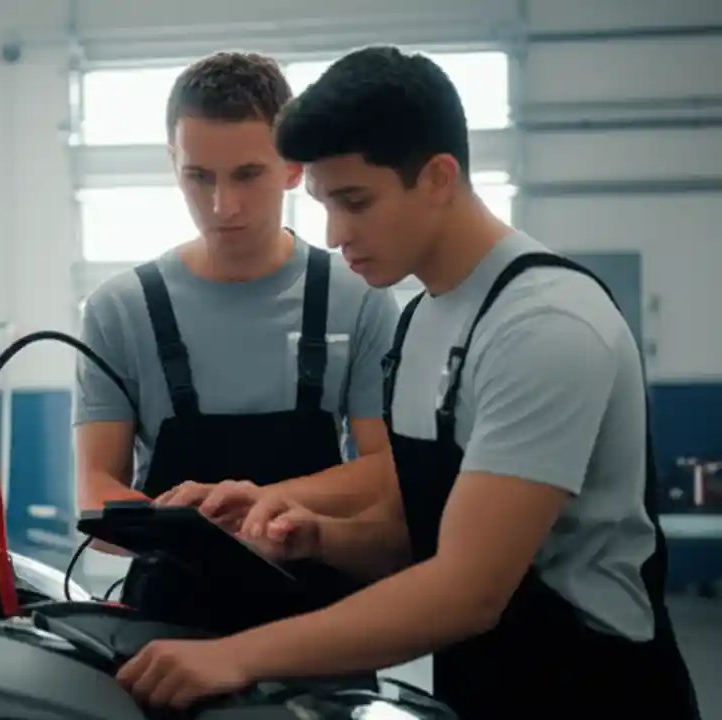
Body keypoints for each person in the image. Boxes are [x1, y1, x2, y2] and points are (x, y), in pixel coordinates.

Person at [115, 46, 700, 719]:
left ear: (438, 177)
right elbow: (416, 537)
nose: (333, 234)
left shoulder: (546, 327)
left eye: (356, 202)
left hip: (596, 695)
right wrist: (318, 535)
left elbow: (468, 590)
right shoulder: (421, 320)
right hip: (482, 690)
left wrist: (235, 654)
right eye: (324, 204)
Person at [74, 51, 401, 547]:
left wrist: (261, 503)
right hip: (167, 608)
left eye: (247, 174)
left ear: (293, 166)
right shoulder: (118, 311)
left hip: (319, 603)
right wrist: (184, 529)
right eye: (199, 177)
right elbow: (95, 494)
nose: (222, 206)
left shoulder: (358, 300)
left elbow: (387, 476)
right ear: (172, 163)